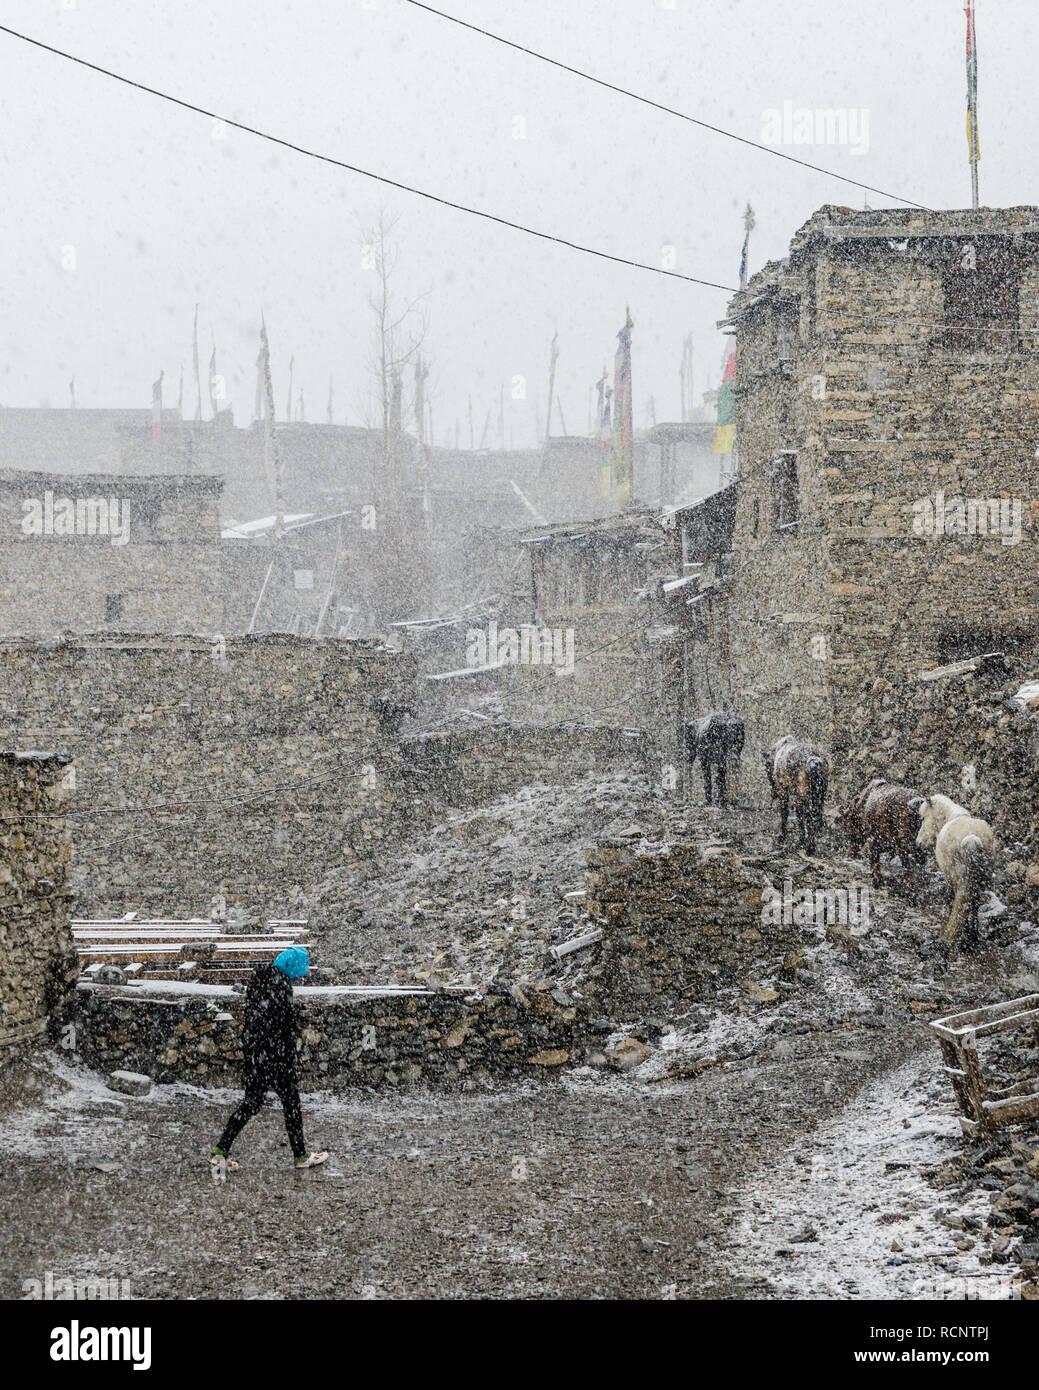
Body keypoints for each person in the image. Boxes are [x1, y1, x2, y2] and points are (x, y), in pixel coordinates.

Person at [210, 945, 327, 1170]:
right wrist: (286, 1054)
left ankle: (220, 1151)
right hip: (276, 1057)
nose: (300, 977)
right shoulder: (280, 986)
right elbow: (282, 1027)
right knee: (291, 1104)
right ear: (292, 966)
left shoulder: (259, 982)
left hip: (257, 1056)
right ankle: (301, 1156)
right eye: (300, 970)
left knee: (251, 1104)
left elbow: (257, 1022)